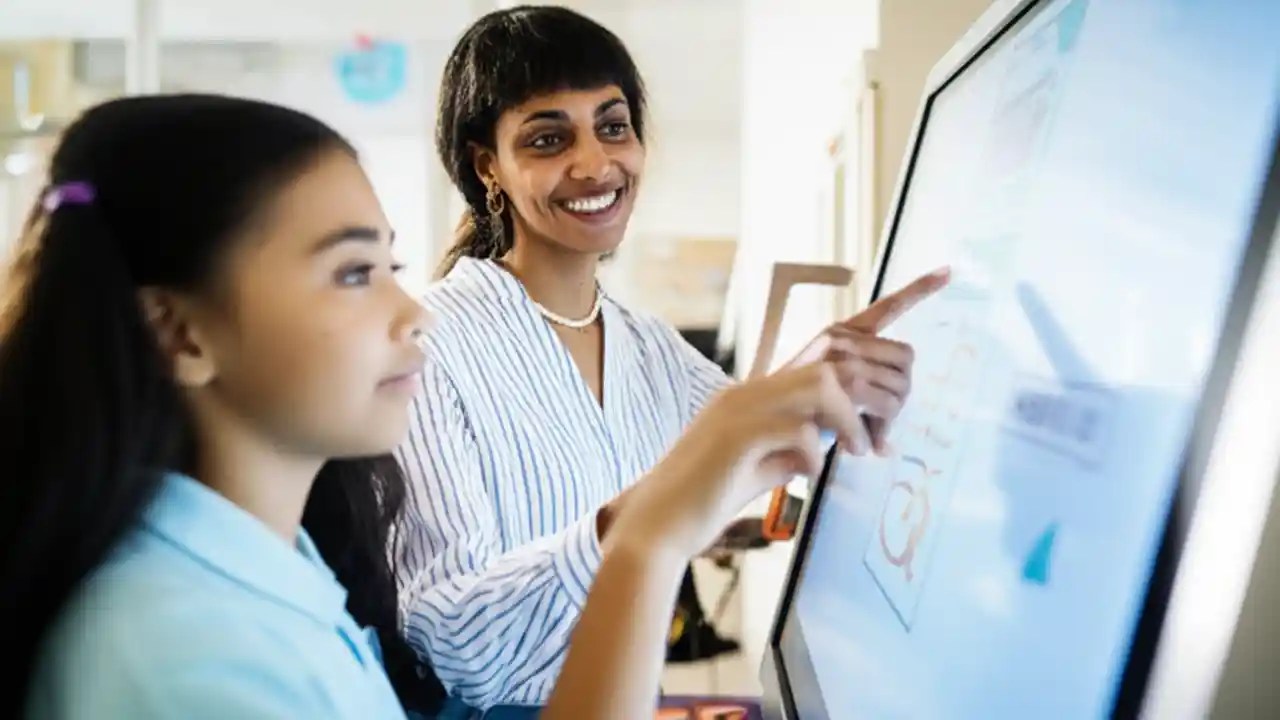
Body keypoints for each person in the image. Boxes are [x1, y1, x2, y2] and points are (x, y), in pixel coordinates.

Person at [0, 94, 911, 720]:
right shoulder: (184, 655)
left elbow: (737, 418)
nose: (408, 313)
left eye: (390, 267)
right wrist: (642, 540)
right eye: (353, 273)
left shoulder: (270, 559)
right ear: (180, 335)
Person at [395, 5, 951, 711]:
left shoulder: (650, 348)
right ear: (488, 167)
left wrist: (824, 388)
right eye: (547, 138)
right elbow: (457, 641)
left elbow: (754, 450)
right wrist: (646, 523)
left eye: (613, 125)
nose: (596, 163)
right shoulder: (427, 346)